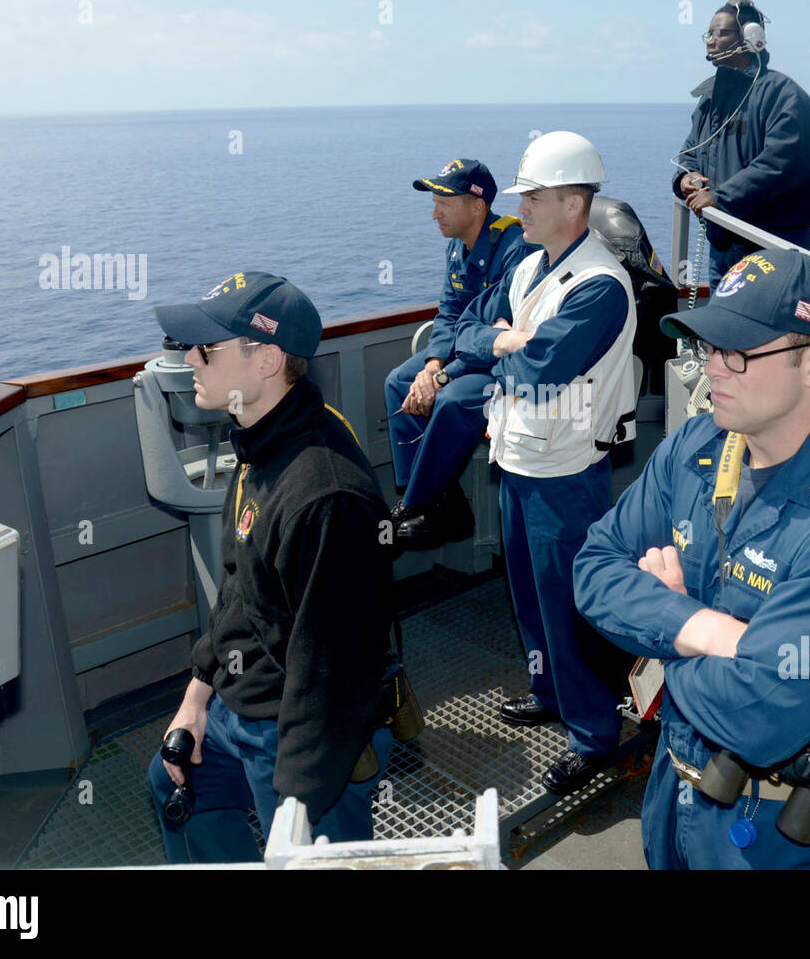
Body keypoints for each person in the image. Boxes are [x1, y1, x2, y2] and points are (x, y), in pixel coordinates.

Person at [573, 248, 810, 869]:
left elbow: (757, 712)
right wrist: (704, 628)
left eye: (737, 352)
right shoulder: (697, 444)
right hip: (672, 787)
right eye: (709, 347)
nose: (712, 368)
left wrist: (660, 626)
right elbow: (593, 566)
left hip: (780, 835)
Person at [147, 271, 395, 862]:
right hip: (241, 702)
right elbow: (238, 580)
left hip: (302, 730)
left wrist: (296, 809)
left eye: (205, 349)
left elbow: (332, 671)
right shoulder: (261, 443)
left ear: (267, 361)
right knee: (171, 784)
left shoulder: (323, 495)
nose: (191, 362)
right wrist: (198, 695)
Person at [486, 131, 638, 795]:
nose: (522, 207)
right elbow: (464, 330)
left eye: (535, 196)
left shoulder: (600, 284)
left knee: (569, 606)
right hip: (516, 456)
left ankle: (594, 735)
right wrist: (501, 340)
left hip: (567, 469)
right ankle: (547, 690)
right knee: (525, 592)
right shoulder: (525, 267)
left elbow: (541, 371)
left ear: (575, 203)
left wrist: (503, 346)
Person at [384, 159, 532, 548]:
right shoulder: (457, 247)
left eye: (443, 204)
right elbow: (449, 312)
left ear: (477, 206)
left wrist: (442, 376)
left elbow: (497, 335)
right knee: (398, 383)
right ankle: (436, 500)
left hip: (502, 360)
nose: (435, 214)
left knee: (448, 399)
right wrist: (432, 364)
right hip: (463, 349)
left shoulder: (514, 250)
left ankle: (419, 501)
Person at [673, 0, 810, 285]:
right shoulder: (710, 100)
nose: (711, 41)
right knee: (725, 329)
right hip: (723, 246)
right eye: (709, 34)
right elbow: (690, 152)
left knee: (774, 330)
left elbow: (781, 163)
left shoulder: (784, 95)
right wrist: (685, 177)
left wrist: (719, 198)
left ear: (750, 37)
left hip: (773, 246)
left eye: (722, 33)